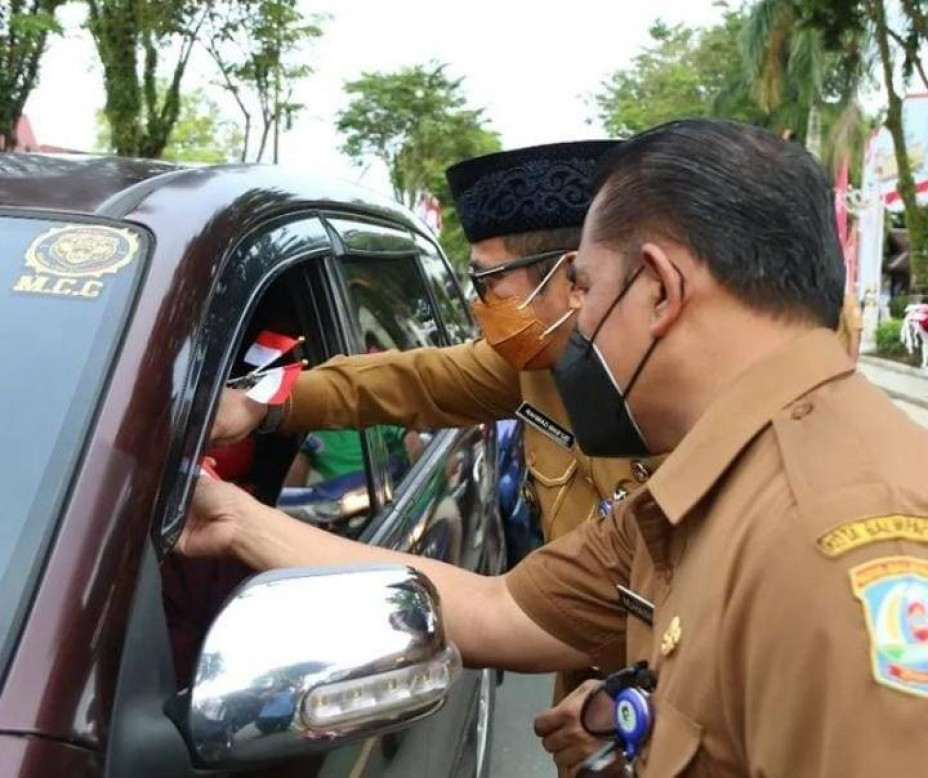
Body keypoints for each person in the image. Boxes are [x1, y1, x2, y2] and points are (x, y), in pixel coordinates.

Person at [180, 118, 928, 776]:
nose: (579, 311)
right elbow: (501, 605)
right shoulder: (715, 477)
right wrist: (239, 518)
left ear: (661, 289)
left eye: (588, 284)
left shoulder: (848, 544)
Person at [213, 141, 661, 704]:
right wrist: (263, 403)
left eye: (487, 282)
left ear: (573, 277)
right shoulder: (535, 364)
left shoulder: (677, 399)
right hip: (587, 696)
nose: (480, 308)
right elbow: (411, 379)